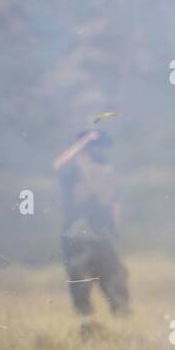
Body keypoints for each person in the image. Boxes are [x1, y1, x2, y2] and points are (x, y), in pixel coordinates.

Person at [53, 129, 129, 326]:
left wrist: (116, 232)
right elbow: (58, 165)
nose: (99, 148)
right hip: (79, 234)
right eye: (94, 144)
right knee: (81, 282)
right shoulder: (74, 166)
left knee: (115, 280)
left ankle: (123, 323)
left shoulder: (107, 169)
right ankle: (85, 325)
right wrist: (83, 142)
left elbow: (115, 202)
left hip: (104, 235)